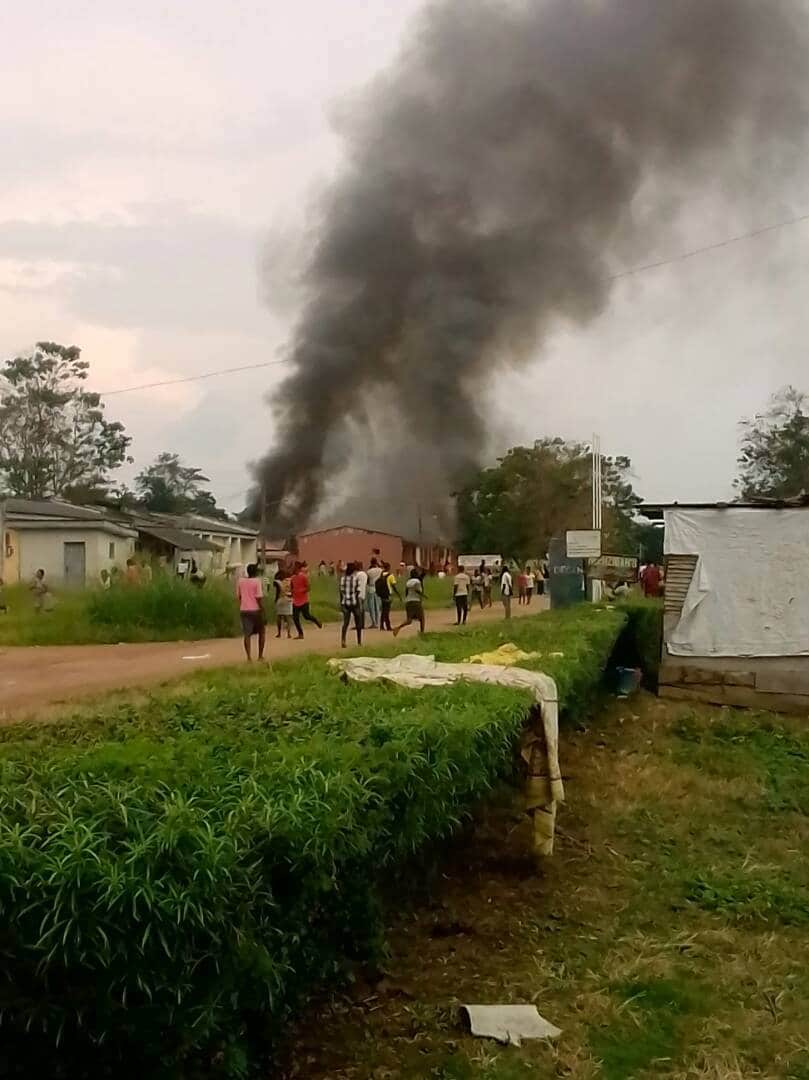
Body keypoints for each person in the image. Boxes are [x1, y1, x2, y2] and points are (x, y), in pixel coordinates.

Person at [237, 563, 266, 661]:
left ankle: (249, 657)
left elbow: (239, 596)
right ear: (256, 572)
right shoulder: (257, 581)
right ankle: (260, 656)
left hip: (244, 609)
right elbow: (258, 597)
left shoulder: (240, 581)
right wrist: (262, 609)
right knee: (262, 632)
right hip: (256, 610)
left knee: (247, 634)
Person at [290, 561, 322, 639]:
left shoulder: (303, 577)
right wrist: (292, 592)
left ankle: (316, 620)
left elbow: (308, 588)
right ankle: (300, 634)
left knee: (306, 616)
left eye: (295, 568)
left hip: (304, 600)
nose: (294, 569)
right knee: (295, 618)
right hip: (295, 601)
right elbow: (292, 588)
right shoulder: (293, 578)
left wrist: (302, 591)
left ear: (299, 569)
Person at [393, 567, 425, 636]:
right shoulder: (417, 581)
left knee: (409, 620)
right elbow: (418, 590)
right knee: (422, 618)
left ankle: (398, 627)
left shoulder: (408, 582)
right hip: (416, 601)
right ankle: (422, 633)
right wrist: (423, 595)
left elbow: (406, 592)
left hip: (408, 601)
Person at [339, 561, 363, 647]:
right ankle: (359, 642)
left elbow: (341, 591)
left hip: (345, 602)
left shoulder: (342, 579)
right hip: (354, 602)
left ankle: (343, 640)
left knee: (345, 623)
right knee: (358, 622)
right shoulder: (355, 579)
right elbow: (358, 591)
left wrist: (342, 603)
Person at [376, 561, 399, 631]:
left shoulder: (381, 574)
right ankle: (388, 626)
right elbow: (393, 586)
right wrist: (398, 594)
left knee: (383, 611)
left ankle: (381, 625)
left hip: (382, 595)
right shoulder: (390, 576)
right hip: (387, 594)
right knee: (387, 611)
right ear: (389, 567)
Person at [274, 568, 294, 638]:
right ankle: (289, 633)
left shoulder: (278, 582)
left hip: (280, 599)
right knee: (288, 617)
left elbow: (277, 592)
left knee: (279, 616)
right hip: (289, 599)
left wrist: (275, 600)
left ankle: (279, 633)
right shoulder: (290, 581)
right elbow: (293, 590)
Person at [366, 557, 382, 630]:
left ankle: (374, 622)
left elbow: (368, 581)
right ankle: (377, 621)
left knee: (371, 606)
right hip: (378, 588)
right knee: (377, 606)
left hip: (371, 587)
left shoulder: (369, 571)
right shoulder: (380, 570)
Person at [354, 561, 368, 632]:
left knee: (358, 610)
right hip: (363, 593)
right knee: (362, 610)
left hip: (358, 594)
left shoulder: (357, 574)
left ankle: (359, 624)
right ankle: (362, 624)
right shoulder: (365, 574)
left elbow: (354, 583)